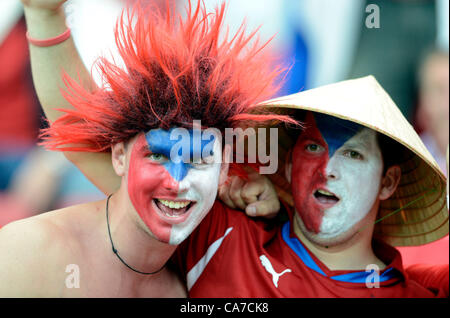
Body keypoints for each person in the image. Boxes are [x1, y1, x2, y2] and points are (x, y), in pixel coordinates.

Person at [0, 0, 291, 297]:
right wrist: (43, 15)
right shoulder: (30, 251)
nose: (176, 181)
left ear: (224, 170)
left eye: (198, 160)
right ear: (119, 156)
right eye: (157, 155)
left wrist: (281, 198)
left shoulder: (203, 258)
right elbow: (77, 122)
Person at [174, 76, 449, 297]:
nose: (327, 170)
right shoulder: (220, 230)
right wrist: (210, 183)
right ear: (290, 164)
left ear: (387, 183)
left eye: (353, 154)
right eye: (313, 147)